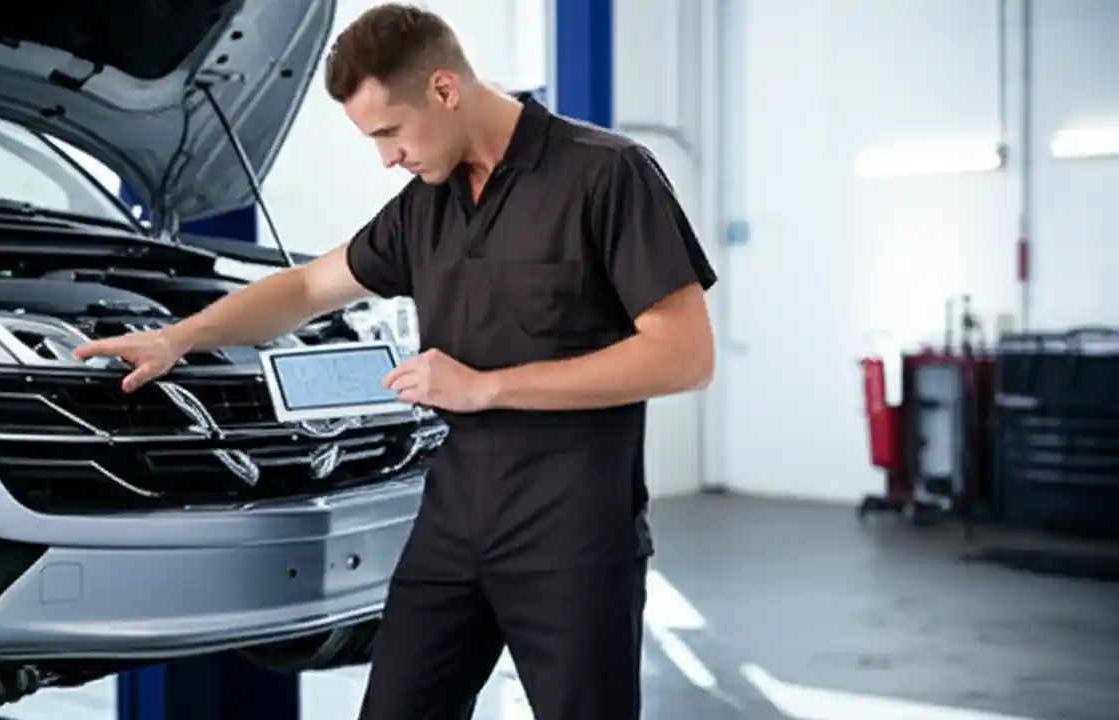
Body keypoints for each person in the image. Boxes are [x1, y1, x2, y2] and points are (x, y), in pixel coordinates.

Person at [73, 4, 717, 718]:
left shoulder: (606, 174)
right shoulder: (425, 206)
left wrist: (488, 387)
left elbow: (683, 355)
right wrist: (177, 338)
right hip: (452, 527)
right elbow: (308, 286)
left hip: (574, 538)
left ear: (445, 89)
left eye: (389, 131)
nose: (386, 157)